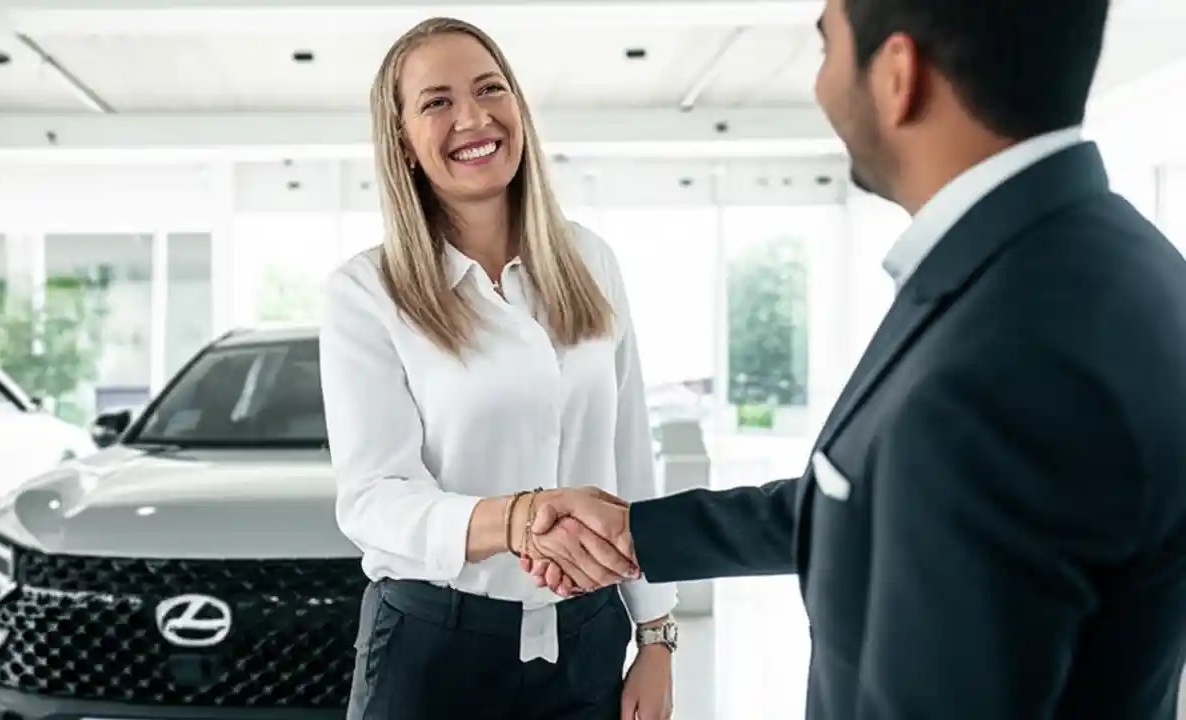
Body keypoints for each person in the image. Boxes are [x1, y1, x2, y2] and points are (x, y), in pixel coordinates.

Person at [520, 0, 1186, 718]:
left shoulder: (999, 365)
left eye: (826, 48)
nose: (821, 86)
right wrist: (639, 531)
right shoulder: (1114, 262)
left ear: (899, 75)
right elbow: (883, 502)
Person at [318, 16, 678, 720]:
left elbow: (630, 458)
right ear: (403, 143)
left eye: (490, 89)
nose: (473, 117)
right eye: (437, 101)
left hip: (587, 642)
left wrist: (657, 634)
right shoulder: (366, 293)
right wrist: (515, 521)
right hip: (431, 651)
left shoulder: (590, 262)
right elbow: (373, 498)